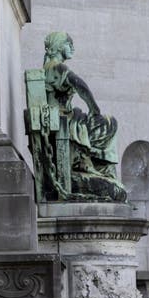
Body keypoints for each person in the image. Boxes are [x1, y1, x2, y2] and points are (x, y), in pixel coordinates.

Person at [42, 32, 126, 201]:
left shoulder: (50, 66)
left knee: (107, 123)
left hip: (63, 118)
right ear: (59, 46)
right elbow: (81, 86)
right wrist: (94, 109)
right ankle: (97, 167)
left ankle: (95, 166)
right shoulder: (57, 67)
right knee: (110, 124)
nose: (72, 48)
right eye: (69, 44)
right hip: (63, 119)